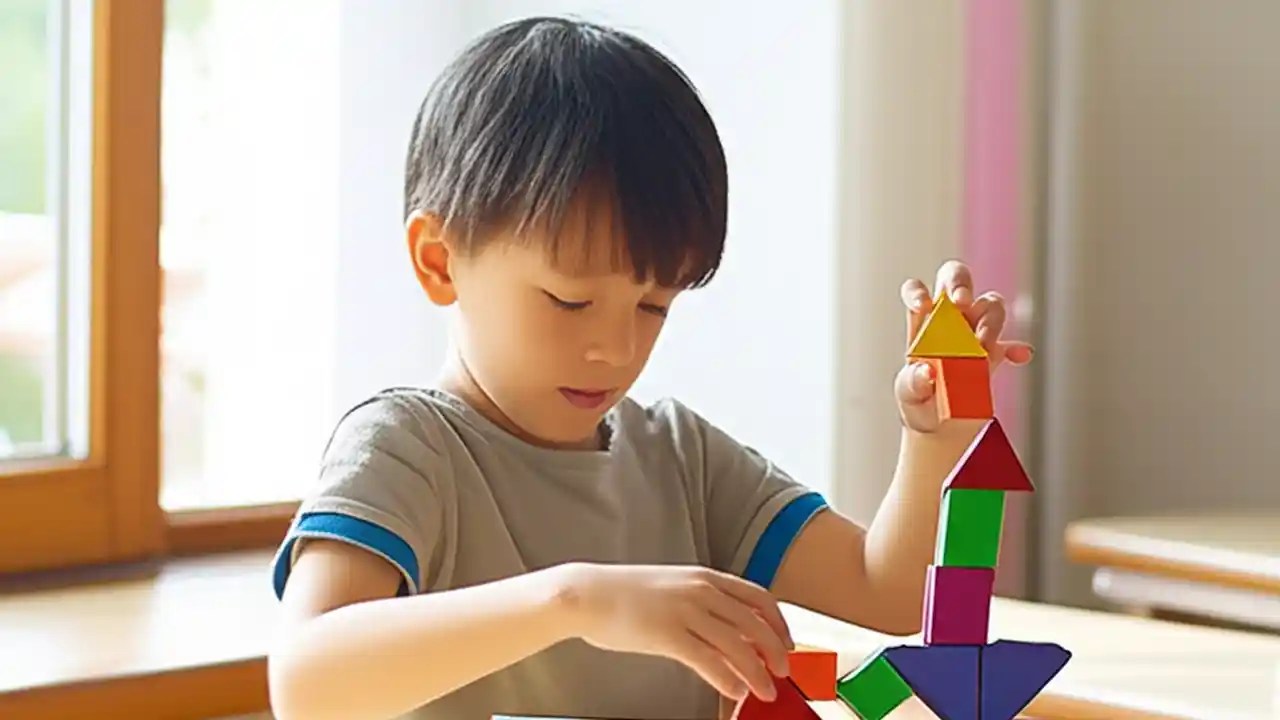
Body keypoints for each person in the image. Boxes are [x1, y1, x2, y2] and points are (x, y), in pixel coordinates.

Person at [265, 15, 1033, 720]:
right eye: (570, 301)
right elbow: (305, 685)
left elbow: (890, 592)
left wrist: (934, 433)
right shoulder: (406, 450)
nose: (615, 348)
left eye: (653, 306)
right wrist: (575, 601)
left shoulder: (681, 460)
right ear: (439, 262)